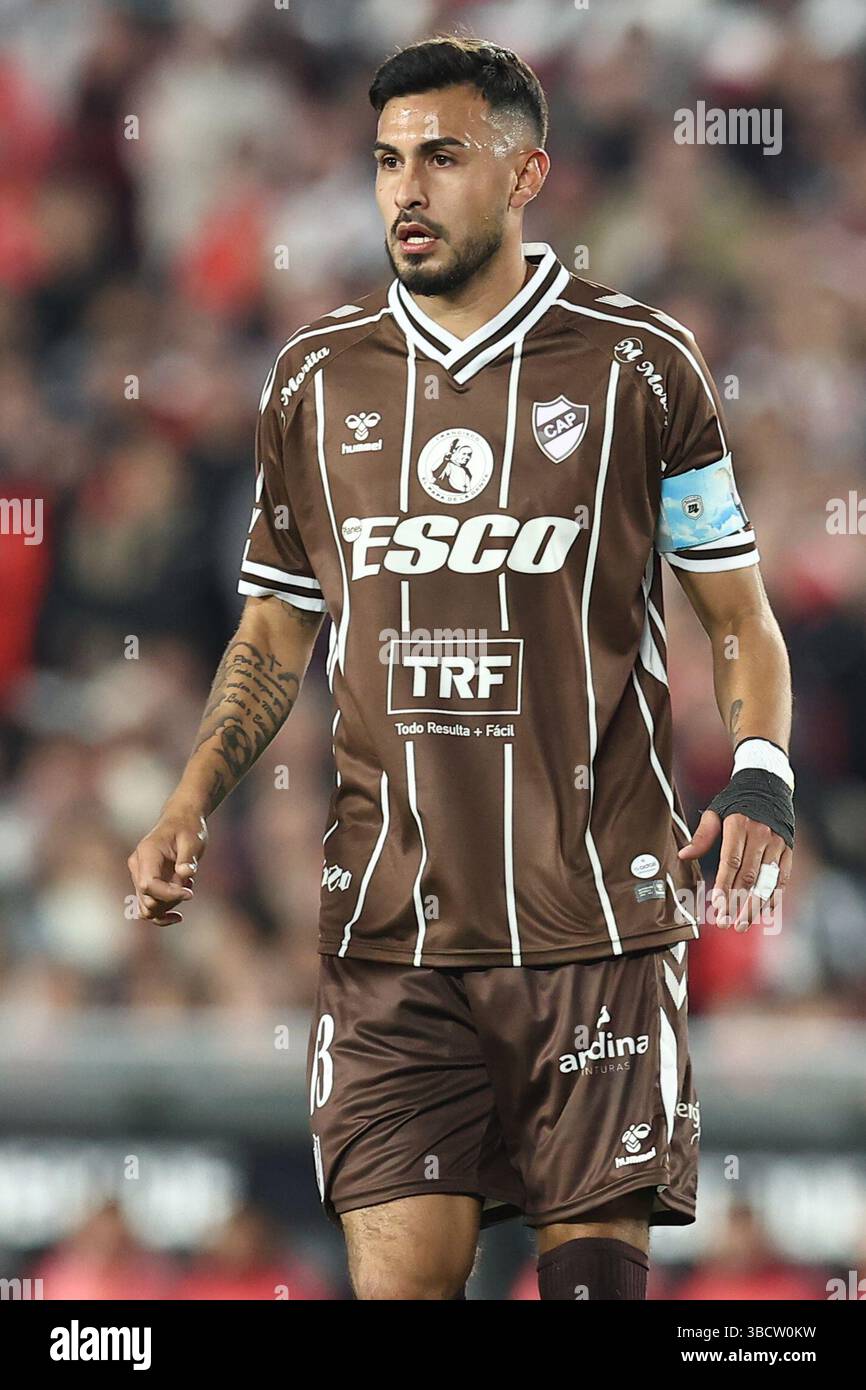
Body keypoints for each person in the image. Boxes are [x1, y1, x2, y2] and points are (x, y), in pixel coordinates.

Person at [127, 36, 795, 1301]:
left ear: (527, 171)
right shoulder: (314, 382)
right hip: (394, 934)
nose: (405, 190)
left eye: (441, 155)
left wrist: (759, 771)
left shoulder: (639, 367)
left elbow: (735, 613)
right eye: (384, 162)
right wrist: (188, 799)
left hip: (594, 921)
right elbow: (274, 629)